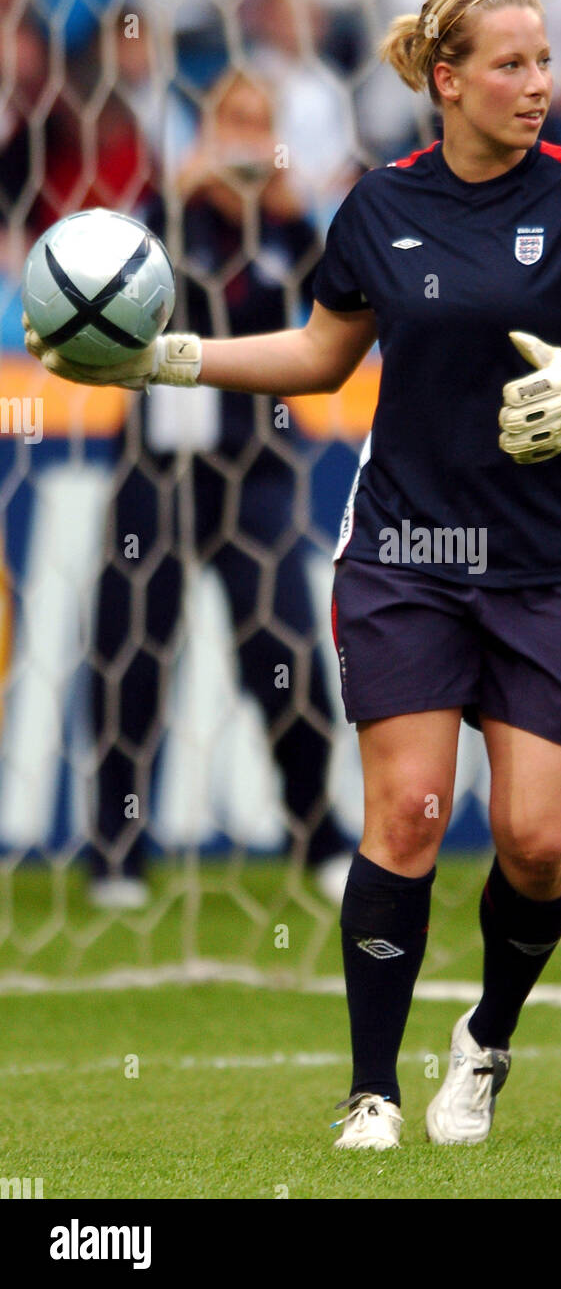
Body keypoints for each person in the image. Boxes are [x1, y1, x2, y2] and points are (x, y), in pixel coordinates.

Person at [25, 0, 561, 1149]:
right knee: (405, 815)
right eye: (509, 64)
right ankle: (372, 1091)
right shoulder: (378, 207)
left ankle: (483, 1038)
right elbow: (316, 357)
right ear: (446, 81)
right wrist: (158, 362)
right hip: (402, 553)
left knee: (539, 848)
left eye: (543, 61)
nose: (537, 83)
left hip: (552, 562)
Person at [87, 68, 354, 908]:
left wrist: (295, 215)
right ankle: (118, 851)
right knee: (132, 655)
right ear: (208, 129)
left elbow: (336, 325)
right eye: (230, 122)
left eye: (257, 124)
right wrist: (181, 192)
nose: (244, 141)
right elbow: (114, 301)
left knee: (283, 651)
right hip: (156, 471)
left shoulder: (291, 236)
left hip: (256, 469)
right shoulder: (166, 221)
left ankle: (315, 833)